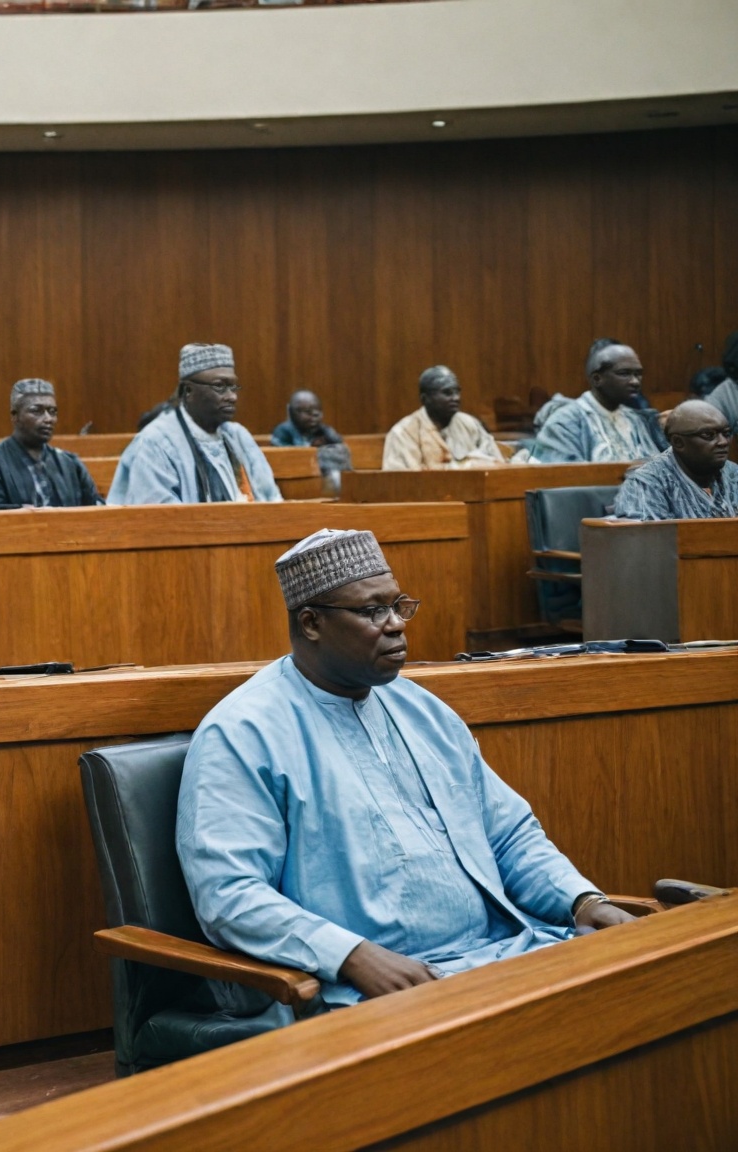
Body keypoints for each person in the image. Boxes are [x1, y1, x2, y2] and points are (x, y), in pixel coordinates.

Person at [176, 529, 636, 1016]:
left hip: (502, 956)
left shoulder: (424, 710)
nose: (396, 625)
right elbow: (229, 895)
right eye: (373, 612)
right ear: (311, 622)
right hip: (365, 991)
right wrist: (351, 956)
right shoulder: (243, 732)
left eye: (399, 606)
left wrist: (582, 901)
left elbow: (508, 835)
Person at [108, 344, 282, 505]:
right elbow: (159, 521)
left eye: (233, 387)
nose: (232, 396)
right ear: (188, 391)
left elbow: (272, 501)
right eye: (219, 386)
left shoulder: (237, 436)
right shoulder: (155, 443)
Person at [0, 379, 101, 510]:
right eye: (37, 411)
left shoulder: (70, 464)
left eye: (52, 412)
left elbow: (98, 511)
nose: (48, 419)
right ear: (15, 416)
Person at [530, 340, 664, 463]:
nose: (635, 381)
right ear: (596, 379)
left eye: (638, 374)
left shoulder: (640, 420)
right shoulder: (564, 422)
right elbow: (566, 479)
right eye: (624, 373)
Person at [612, 399, 738, 520]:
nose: (723, 442)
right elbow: (648, 538)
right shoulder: (645, 483)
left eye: (726, 434)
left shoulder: (734, 473)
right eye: (708, 435)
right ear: (678, 442)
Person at [381, 367, 505, 471]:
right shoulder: (403, 433)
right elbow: (402, 483)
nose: (456, 398)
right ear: (425, 399)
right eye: (447, 393)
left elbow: (498, 464)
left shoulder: (469, 424)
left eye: (457, 392)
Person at [270, 391, 341, 449]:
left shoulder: (324, 430)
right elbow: (282, 457)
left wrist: (332, 439)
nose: (315, 415)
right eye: (308, 411)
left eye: (318, 411)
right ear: (293, 412)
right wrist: (311, 447)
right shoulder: (283, 430)